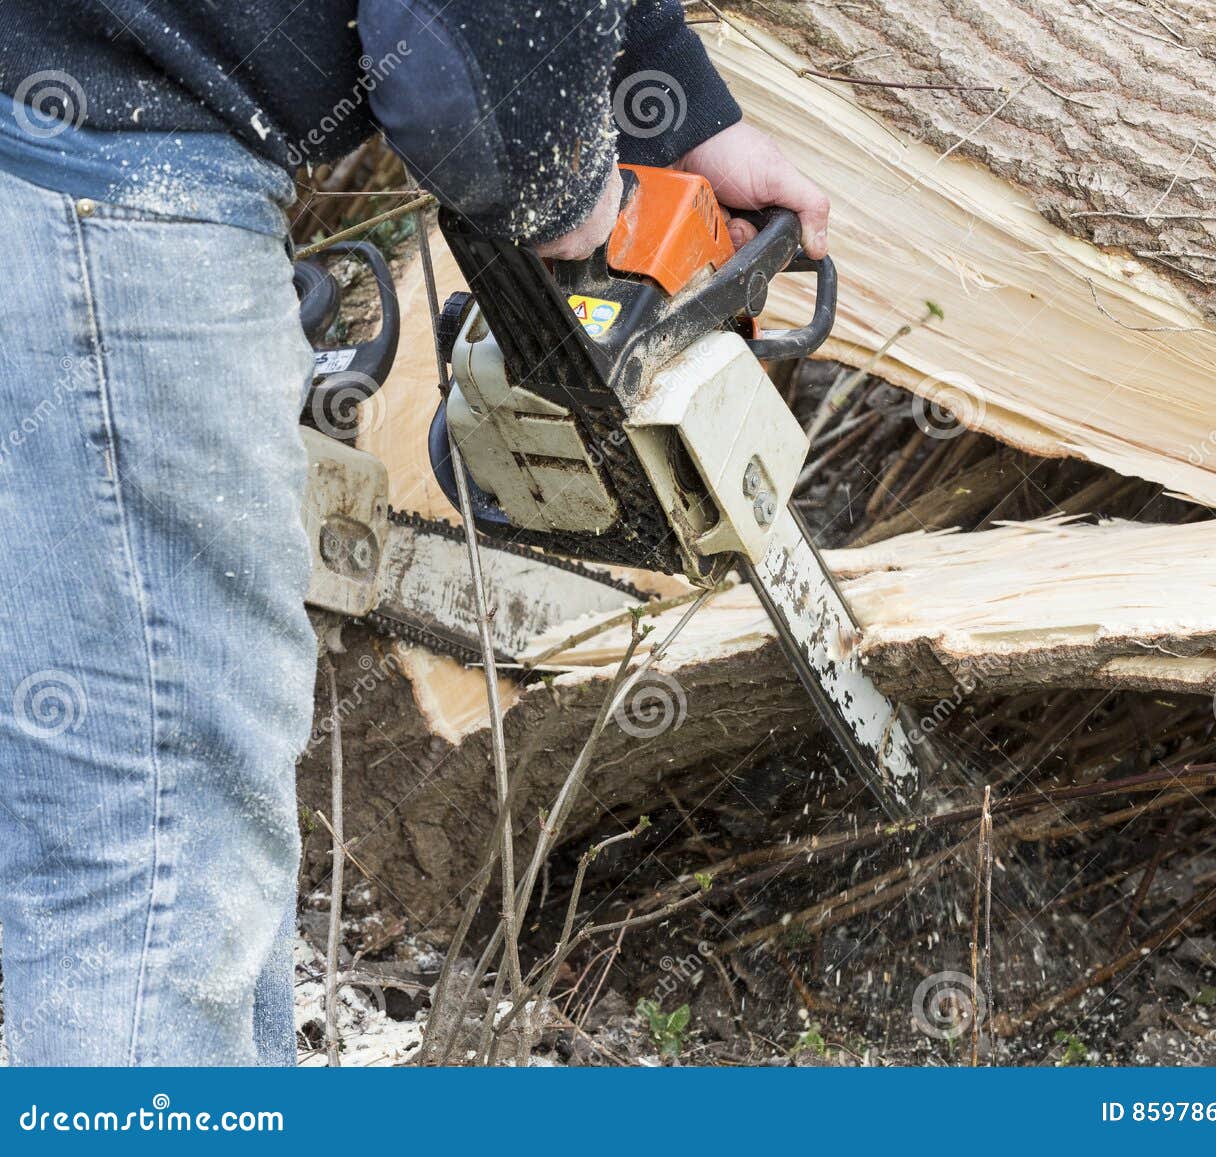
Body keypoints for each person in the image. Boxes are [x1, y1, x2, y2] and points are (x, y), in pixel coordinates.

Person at [0, 0, 829, 1066]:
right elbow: (456, 63)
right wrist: (569, 198)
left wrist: (669, 103)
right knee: (155, 850)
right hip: (111, 181)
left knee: (142, 810)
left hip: (72, 137)